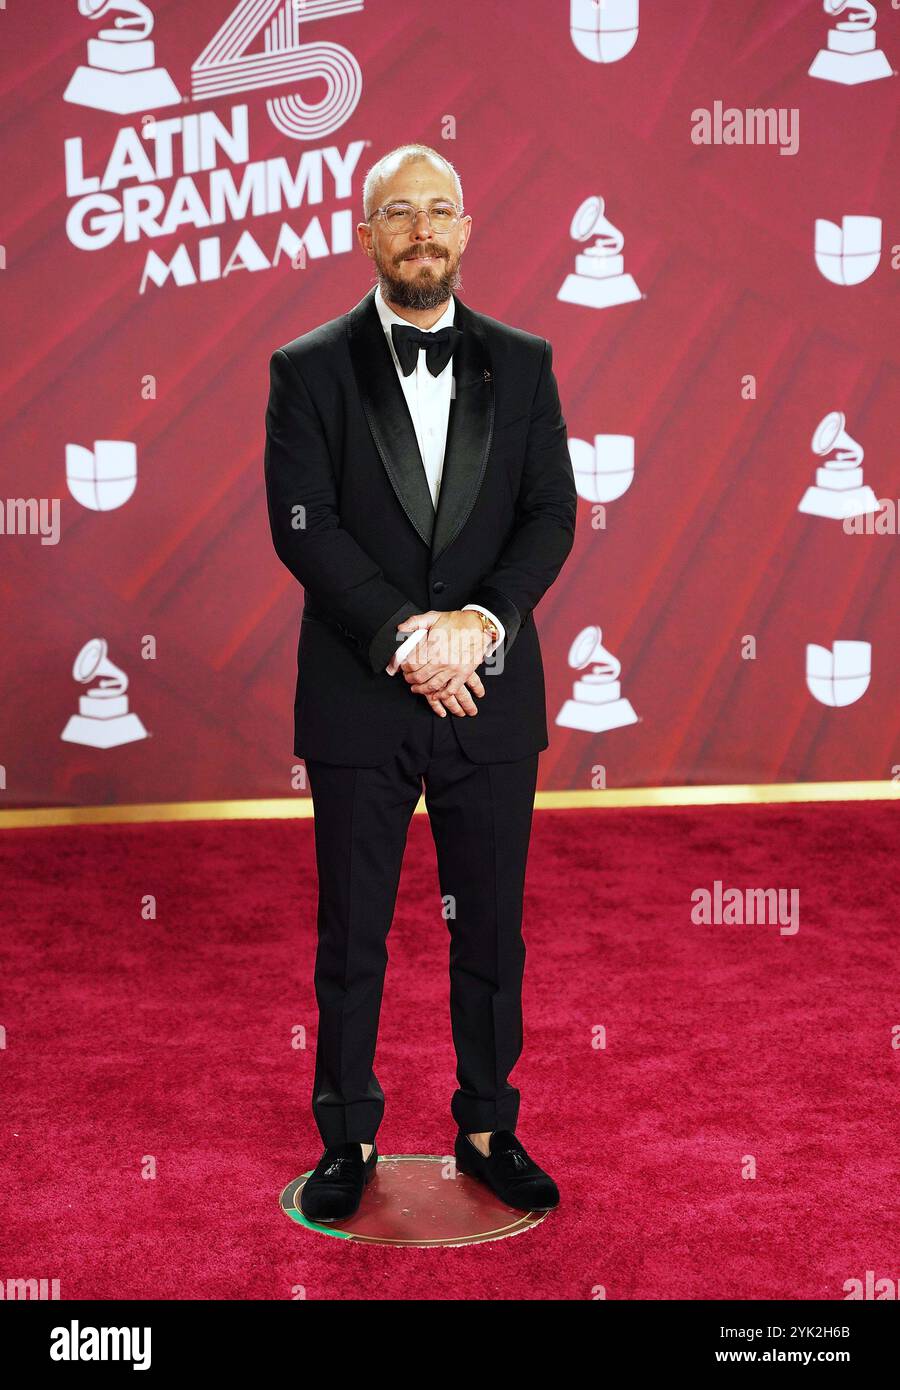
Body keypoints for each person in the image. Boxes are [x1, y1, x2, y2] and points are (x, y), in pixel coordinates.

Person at [264, 143, 576, 1222]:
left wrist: (476, 627)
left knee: (490, 924)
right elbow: (305, 529)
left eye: (441, 208)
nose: (423, 229)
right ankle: (346, 1132)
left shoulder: (525, 361)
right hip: (360, 698)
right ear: (366, 232)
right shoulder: (305, 368)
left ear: (467, 228)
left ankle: (490, 1121)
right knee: (354, 928)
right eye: (400, 212)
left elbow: (549, 516)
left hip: (489, 695)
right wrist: (408, 638)